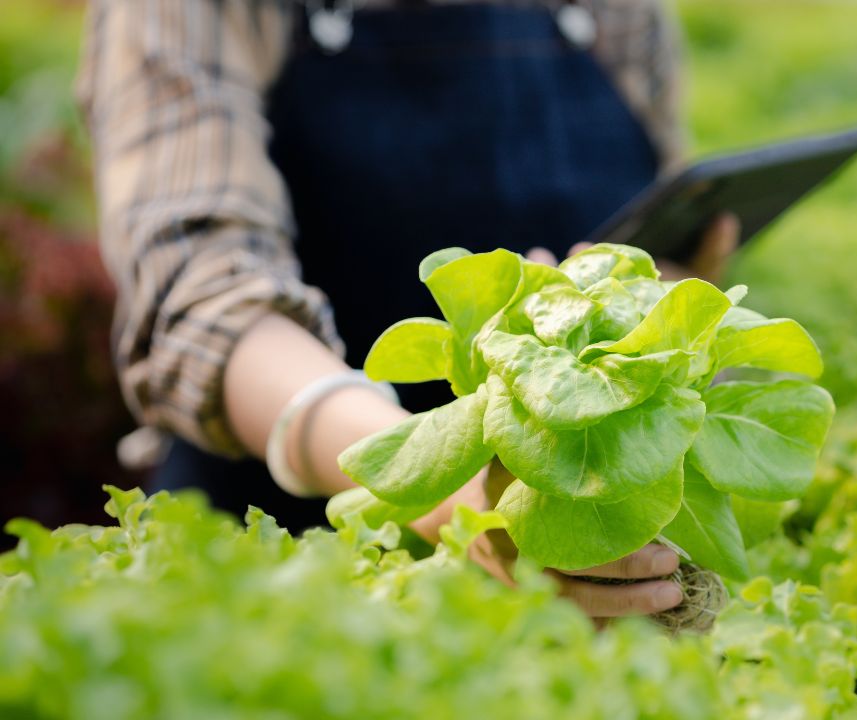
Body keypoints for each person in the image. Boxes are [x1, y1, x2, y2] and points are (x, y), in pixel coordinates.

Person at [77, 0, 739, 621]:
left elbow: (650, 208)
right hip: (284, 567)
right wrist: (438, 489)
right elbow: (202, 300)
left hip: (583, 558)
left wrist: (644, 302)